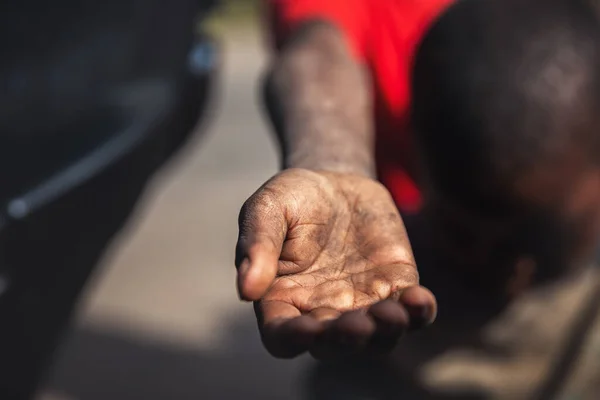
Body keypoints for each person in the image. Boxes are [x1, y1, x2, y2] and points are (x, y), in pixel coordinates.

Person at [235, 0, 600, 392]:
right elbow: (318, 52)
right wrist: (330, 164)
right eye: (471, 236)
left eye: (538, 236)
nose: (511, 276)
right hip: (399, 259)